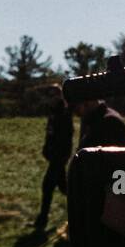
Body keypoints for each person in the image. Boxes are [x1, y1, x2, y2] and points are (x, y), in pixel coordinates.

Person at [34, 84, 74, 230]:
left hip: (59, 157)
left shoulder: (64, 113)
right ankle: (79, 207)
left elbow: (67, 136)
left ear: (59, 96)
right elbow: (50, 133)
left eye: (53, 95)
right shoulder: (53, 112)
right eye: (49, 96)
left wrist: (63, 156)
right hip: (54, 156)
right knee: (65, 188)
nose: (50, 99)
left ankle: (42, 220)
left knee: (47, 186)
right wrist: (46, 148)